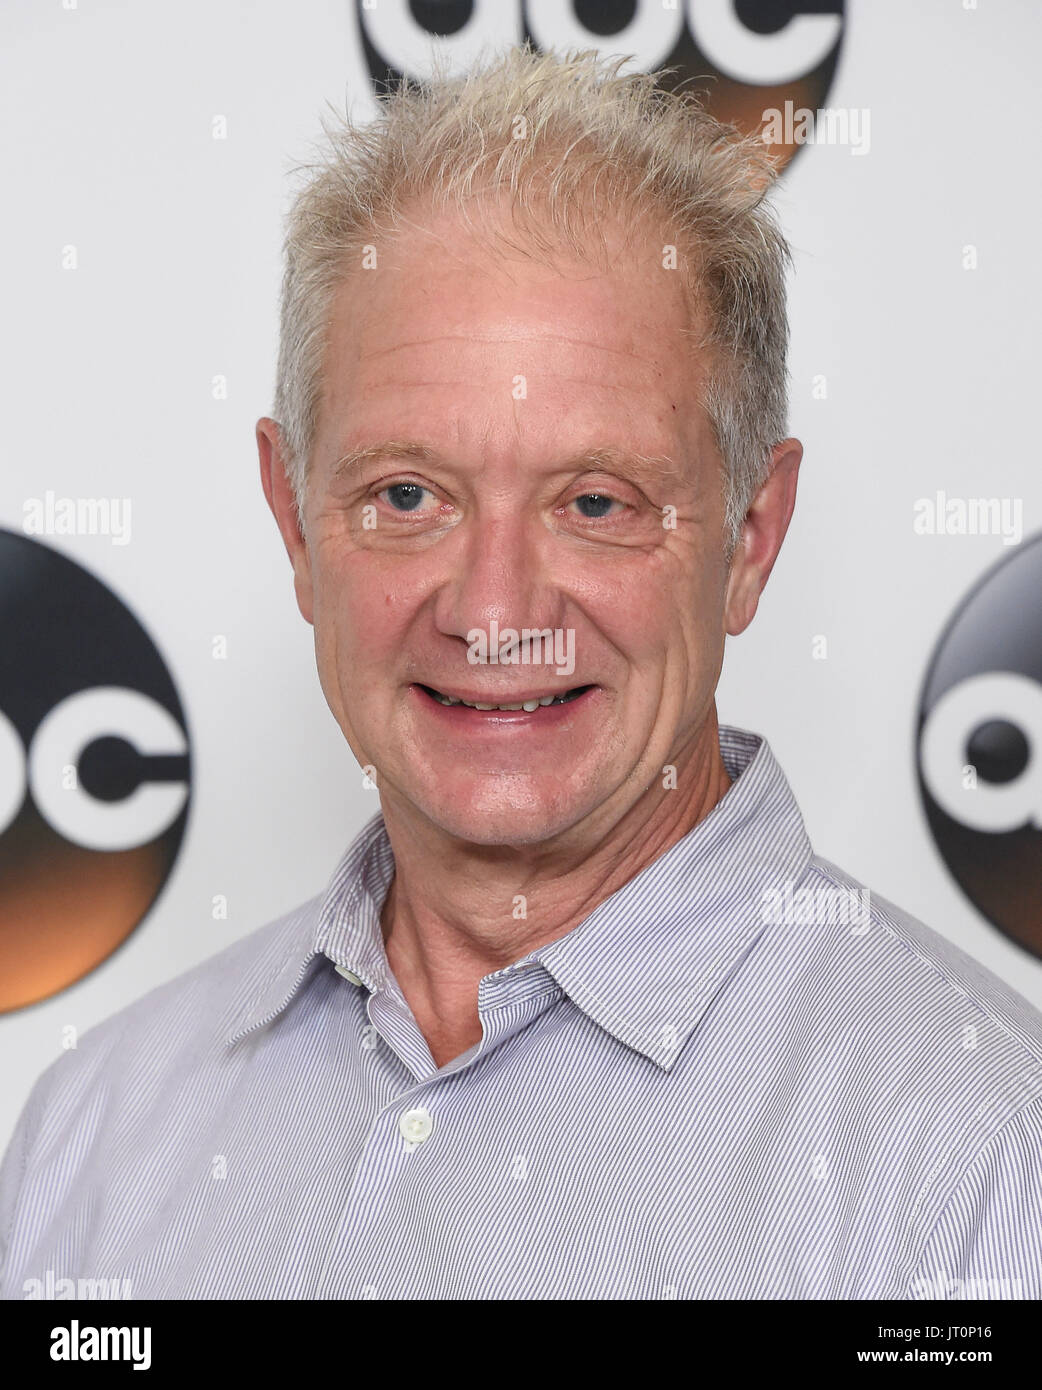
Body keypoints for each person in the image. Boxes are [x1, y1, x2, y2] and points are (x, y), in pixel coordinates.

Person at [2, 45, 1041, 1301]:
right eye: (407, 493)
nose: (494, 610)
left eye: (595, 502)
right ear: (294, 522)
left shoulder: (977, 1155)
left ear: (748, 542)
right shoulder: (98, 1133)